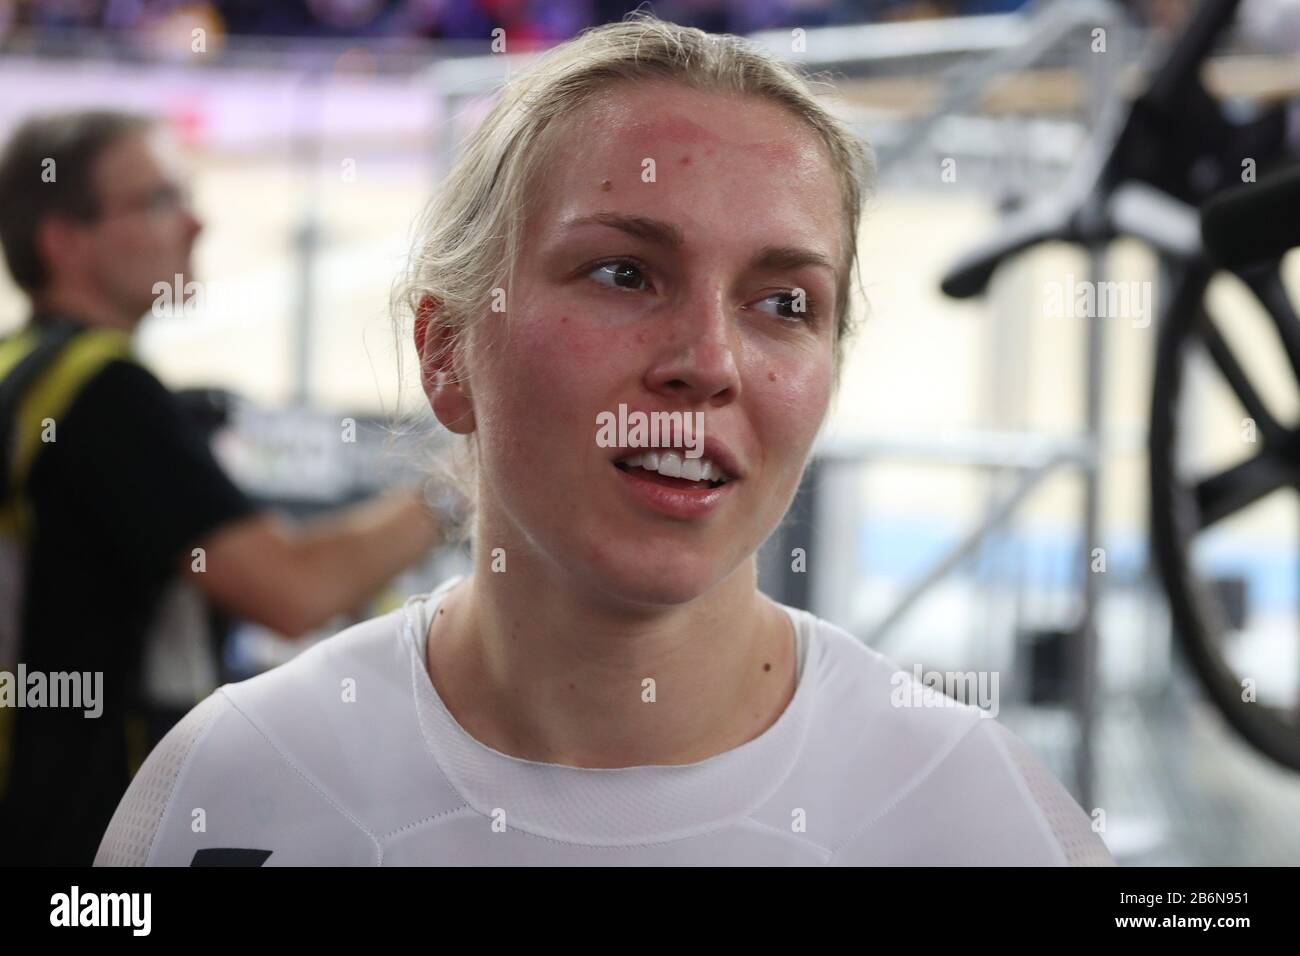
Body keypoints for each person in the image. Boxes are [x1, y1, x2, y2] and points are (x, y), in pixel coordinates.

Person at [96, 14, 1114, 866]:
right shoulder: (232, 784)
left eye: (782, 302)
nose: (707, 360)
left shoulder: (980, 817)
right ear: (446, 352)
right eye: (624, 274)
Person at [0, 110, 446, 866]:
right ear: (63, 240)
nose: (196, 223)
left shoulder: (24, 367)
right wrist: (456, 491)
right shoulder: (105, 393)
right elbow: (293, 589)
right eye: (158, 201)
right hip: (91, 836)